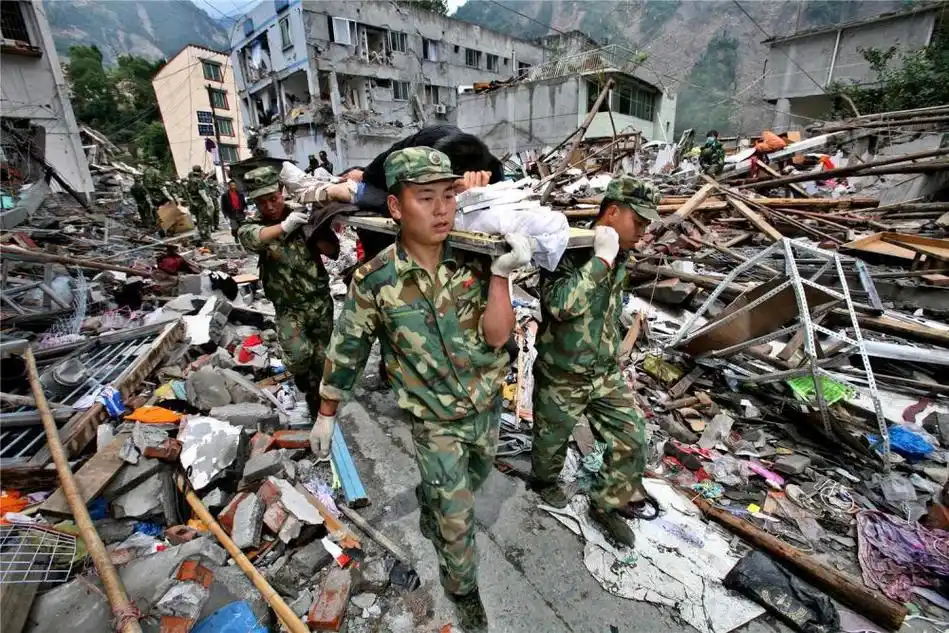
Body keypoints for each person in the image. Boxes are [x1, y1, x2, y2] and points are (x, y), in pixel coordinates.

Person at [314, 147, 531, 631]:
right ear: (396, 208)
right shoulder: (377, 280)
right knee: (458, 523)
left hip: (486, 407)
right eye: (425, 197)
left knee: (472, 484)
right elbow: (348, 347)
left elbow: (499, 337)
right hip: (433, 420)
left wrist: (500, 277)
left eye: (449, 196)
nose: (441, 209)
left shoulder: (476, 257)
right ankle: (464, 590)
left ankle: (435, 506)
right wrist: (327, 411)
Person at [530, 176, 658, 548]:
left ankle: (605, 505)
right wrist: (600, 260)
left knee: (632, 438)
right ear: (613, 212)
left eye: (648, 225)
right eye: (639, 222)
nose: (644, 232)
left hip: (603, 372)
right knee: (547, 454)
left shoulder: (622, 253)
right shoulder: (566, 248)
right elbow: (560, 306)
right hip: (563, 373)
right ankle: (542, 486)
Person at [238, 166, 332, 419]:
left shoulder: (303, 215)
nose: (269, 206)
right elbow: (252, 239)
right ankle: (304, 380)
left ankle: (318, 401)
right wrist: (285, 227)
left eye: (273, 199)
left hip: (319, 301)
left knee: (324, 360)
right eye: (262, 202)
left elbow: (332, 250)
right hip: (288, 306)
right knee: (298, 357)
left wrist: (312, 229)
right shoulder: (254, 225)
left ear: (282, 193)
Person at [186, 166, 213, 241]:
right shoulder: (199, 180)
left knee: (198, 219)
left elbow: (188, 192)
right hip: (201, 202)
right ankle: (206, 237)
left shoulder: (189, 181)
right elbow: (202, 192)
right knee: (204, 219)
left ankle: (202, 235)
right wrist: (208, 202)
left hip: (193, 202)